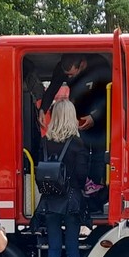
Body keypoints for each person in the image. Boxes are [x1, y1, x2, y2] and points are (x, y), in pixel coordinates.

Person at [35, 100, 91, 257]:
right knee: (73, 247)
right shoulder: (78, 144)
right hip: (71, 200)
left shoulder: (44, 142)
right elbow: (81, 175)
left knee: (54, 247)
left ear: (55, 117)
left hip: (50, 200)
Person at [38, 52, 112, 195]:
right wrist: (43, 109)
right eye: (67, 76)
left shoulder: (100, 66)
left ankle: (95, 192)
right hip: (77, 116)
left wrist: (94, 117)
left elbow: (110, 95)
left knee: (98, 155)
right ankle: (80, 188)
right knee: (78, 152)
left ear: (82, 64)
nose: (69, 79)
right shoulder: (62, 68)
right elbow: (53, 88)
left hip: (100, 117)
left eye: (72, 75)